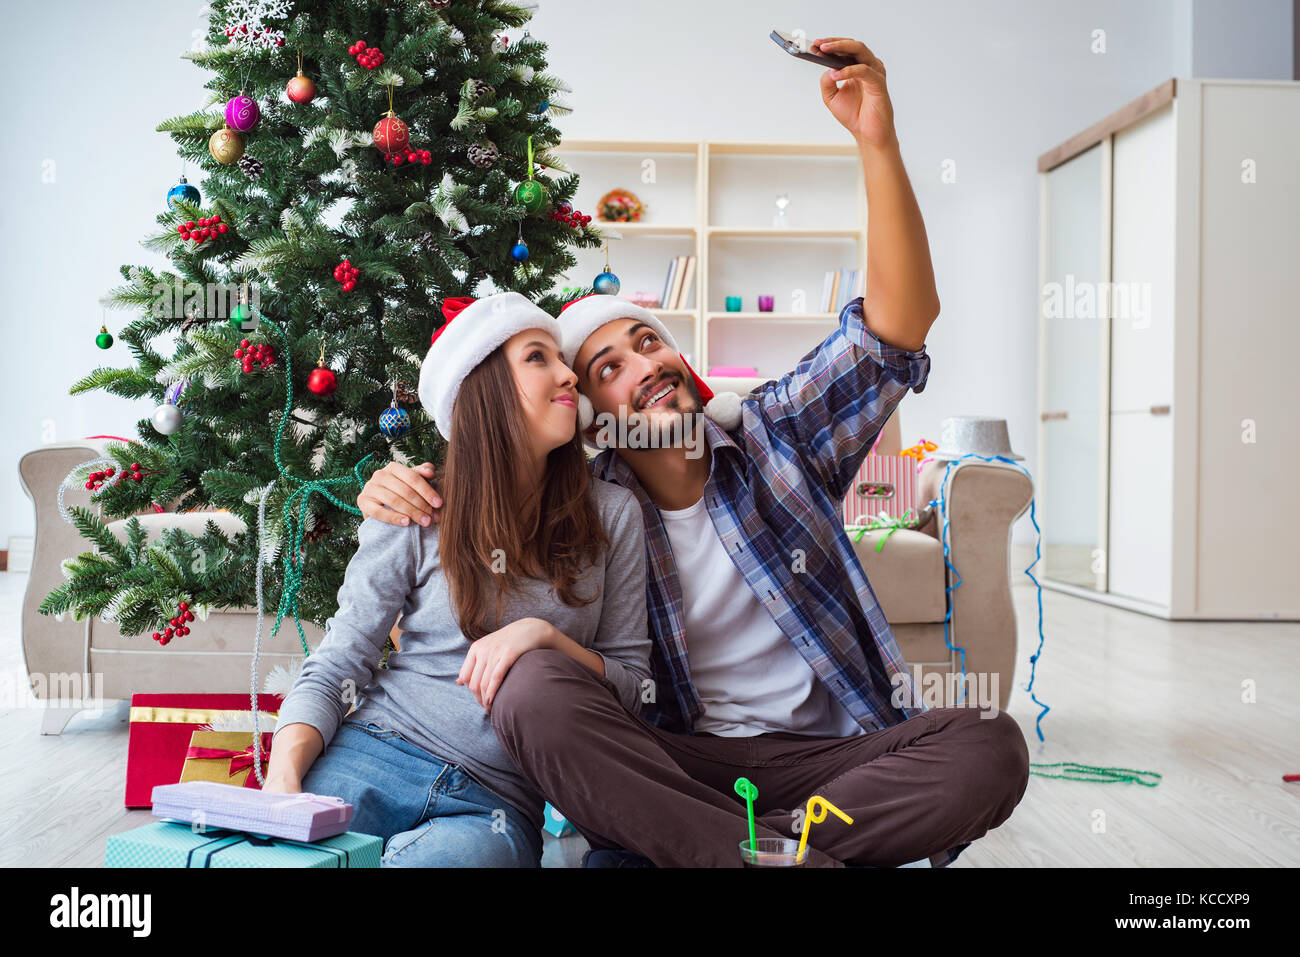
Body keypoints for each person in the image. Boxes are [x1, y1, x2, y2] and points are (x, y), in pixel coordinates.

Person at [357, 37, 1029, 868]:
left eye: (650, 342)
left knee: (990, 744)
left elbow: (898, 326)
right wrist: (398, 484)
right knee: (533, 686)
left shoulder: (776, 438)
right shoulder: (586, 507)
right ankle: (740, 848)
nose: (645, 365)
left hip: (828, 767)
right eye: (610, 367)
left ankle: (759, 854)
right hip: (675, 766)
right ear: (590, 417)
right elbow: (485, 483)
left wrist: (876, 140)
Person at [263, 291, 651, 868]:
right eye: (538, 357)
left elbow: (634, 689)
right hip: (372, 755)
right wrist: (283, 779)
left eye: (561, 358)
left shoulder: (613, 514)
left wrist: (546, 638)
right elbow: (341, 659)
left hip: (493, 805)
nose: (570, 374)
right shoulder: (417, 506)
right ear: (486, 387)